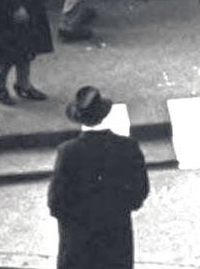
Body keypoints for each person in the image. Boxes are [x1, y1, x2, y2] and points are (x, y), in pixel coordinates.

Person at [49, 85, 151, 269]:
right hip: (115, 235)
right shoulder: (127, 147)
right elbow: (140, 192)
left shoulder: (68, 152)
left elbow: (56, 202)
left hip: (78, 241)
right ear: (105, 115)